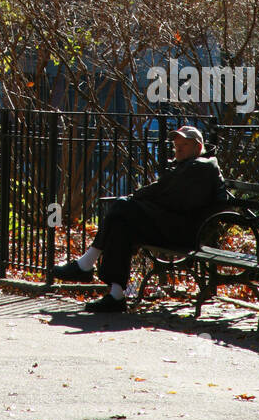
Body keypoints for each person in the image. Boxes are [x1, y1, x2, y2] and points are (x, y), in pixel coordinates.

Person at [52, 125, 228, 314]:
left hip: (186, 233)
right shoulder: (190, 166)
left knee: (121, 206)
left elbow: (161, 191)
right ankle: (116, 295)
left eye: (184, 144)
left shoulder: (201, 166)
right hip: (173, 227)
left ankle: (86, 265)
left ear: (197, 146)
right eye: (176, 145)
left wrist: (136, 196)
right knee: (121, 225)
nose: (178, 148)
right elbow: (164, 193)